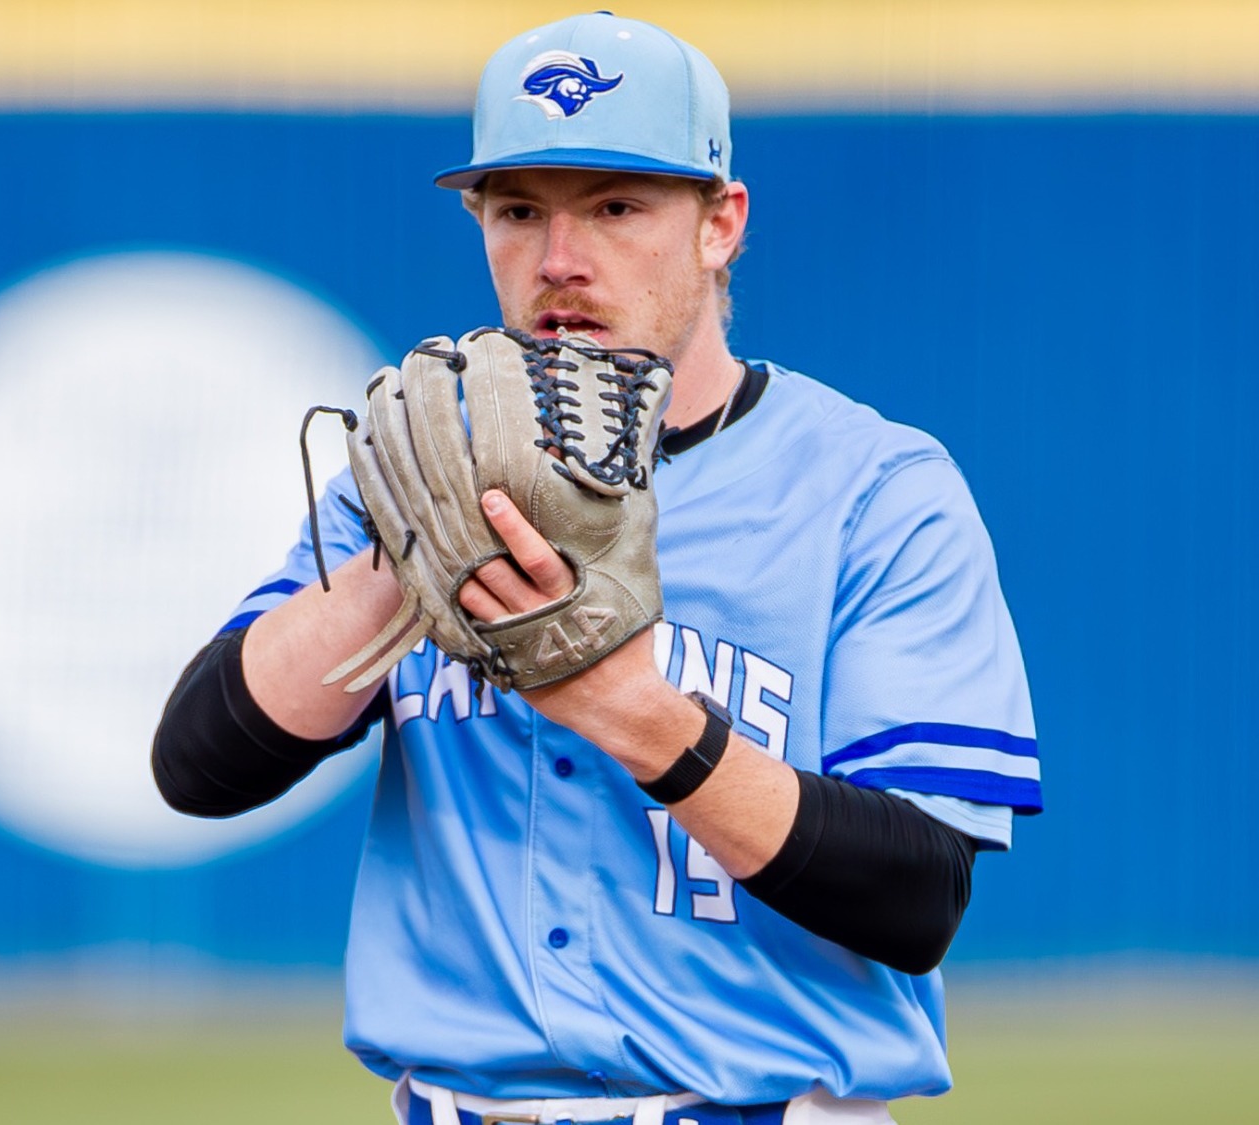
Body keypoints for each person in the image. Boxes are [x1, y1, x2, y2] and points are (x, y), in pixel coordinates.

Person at [152, 12, 1040, 1124]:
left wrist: (633, 713)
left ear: (720, 224)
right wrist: (406, 557)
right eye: (518, 212)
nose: (559, 262)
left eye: (616, 208)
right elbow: (199, 766)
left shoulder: (871, 490)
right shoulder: (416, 469)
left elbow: (917, 894)